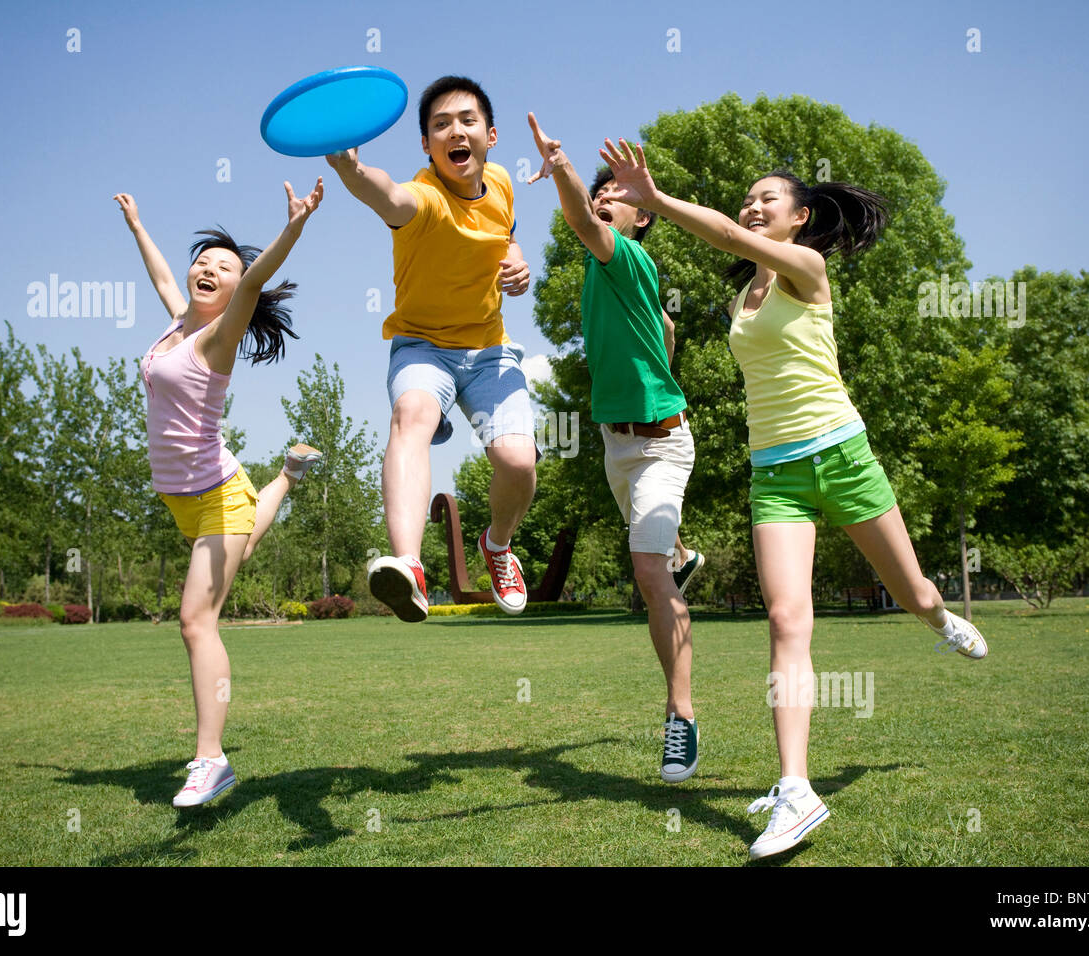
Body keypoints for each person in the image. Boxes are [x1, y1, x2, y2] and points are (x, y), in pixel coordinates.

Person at [599, 140, 989, 859]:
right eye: (747, 198)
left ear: (801, 217)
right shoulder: (738, 298)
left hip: (842, 456)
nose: (751, 206)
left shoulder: (809, 271)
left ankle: (937, 617)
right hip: (774, 473)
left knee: (910, 591)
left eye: (766, 198)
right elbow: (726, 251)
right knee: (786, 619)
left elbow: (723, 233)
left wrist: (652, 201)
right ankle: (797, 788)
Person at [114, 183, 324, 808]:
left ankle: (212, 760)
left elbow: (258, 280)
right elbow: (159, 275)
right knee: (243, 552)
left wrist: (294, 228)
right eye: (204, 260)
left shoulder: (218, 339)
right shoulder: (179, 322)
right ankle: (288, 475)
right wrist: (136, 223)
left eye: (223, 266)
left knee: (196, 620)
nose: (208, 267)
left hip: (218, 493)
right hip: (181, 497)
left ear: (236, 292)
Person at [325, 75, 536, 622]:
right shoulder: (423, 200)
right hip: (423, 347)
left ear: (490, 135)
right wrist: (350, 169)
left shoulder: (501, 181)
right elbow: (386, 193)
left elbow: (505, 228)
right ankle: (409, 565)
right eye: (440, 125)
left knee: (517, 460)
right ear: (426, 146)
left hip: (490, 349)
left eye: (466, 121)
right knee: (411, 414)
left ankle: (497, 545)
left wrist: (516, 258)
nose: (454, 131)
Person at [527, 113, 699, 782]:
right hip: (614, 448)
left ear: (642, 217)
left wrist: (563, 167)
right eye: (597, 188)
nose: (603, 196)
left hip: (662, 447)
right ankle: (683, 553)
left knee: (647, 572)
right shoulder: (610, 277)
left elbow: (582, 225)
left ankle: (679, 719)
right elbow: (660, 334)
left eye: (616, 193)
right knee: (659, 555)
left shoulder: (627, 257)